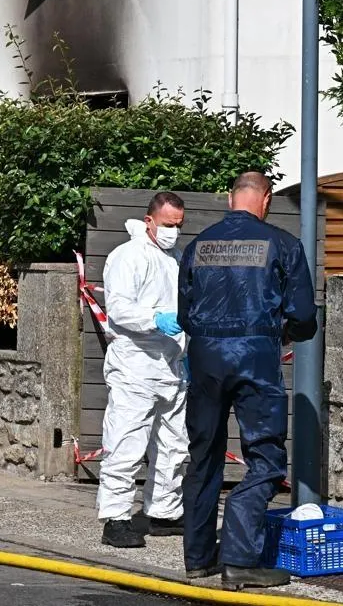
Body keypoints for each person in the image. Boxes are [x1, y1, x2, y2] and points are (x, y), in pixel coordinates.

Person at [178, 172, 316, 590]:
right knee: (266, 459)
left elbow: (184, 315)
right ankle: (239, 561)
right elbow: (304, 316)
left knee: (203, 455)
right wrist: (283, 333)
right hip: (254, 357)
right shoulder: (283, 244)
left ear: (229, 198)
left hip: (204, 357)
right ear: (267, 199)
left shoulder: (197, 245)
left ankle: (198, 558)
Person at [96, 191, 189, 549]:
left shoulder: (175, 259)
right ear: (149, 220)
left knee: (174, 444)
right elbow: (119, 309)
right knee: (126, 441)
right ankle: (116, 518)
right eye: (168, 224)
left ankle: (164, 511)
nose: (173, 232)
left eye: (178, 225)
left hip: (171, 362)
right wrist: (155, 319)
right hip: (135, 362)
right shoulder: (127, 256)